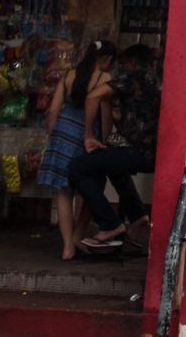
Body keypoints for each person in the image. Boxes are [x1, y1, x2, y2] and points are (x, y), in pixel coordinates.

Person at [72, 43, 162, 254]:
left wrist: (88, 136)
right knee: (113, 165)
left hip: (137, 150)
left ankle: (109, 224)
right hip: (154, 151)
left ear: (130, 63)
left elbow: (93, 96)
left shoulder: (131, 77)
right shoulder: (158, 79)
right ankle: (138, 215)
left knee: (78, 167)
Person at [37, 38, 113, 261]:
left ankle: (67, 246)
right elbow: (105, 115)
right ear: (106, 59)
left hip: (63, 133)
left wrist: (53, 134)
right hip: (87, 136)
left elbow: (53, 110)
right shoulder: (105, 78)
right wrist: (106, 140)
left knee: (63, 192)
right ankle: (79, 234)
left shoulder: (69, 74)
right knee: (91, 188)